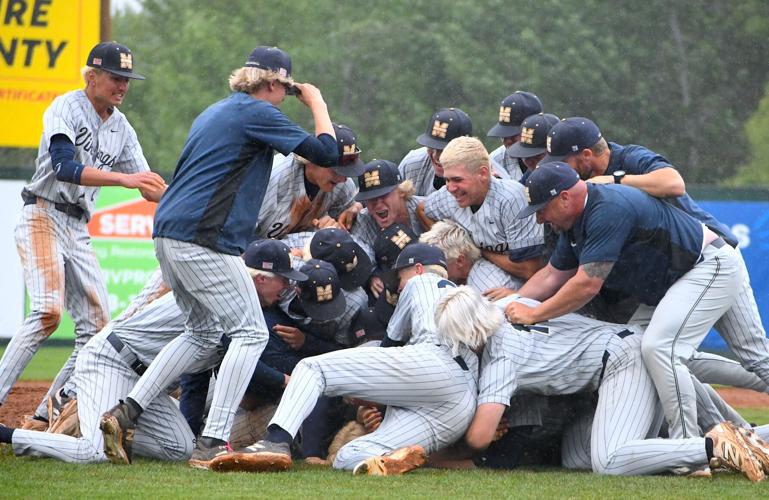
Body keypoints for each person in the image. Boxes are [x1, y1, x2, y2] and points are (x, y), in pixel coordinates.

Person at [98, 45, 339, 467]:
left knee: (203, 334)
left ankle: (126, 412)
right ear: (272, 83)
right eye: (285, 89)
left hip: (169, 233)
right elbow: (326, 153)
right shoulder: (256, 111)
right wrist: (317, 102)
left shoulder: (216, 111)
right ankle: (212, 440)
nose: (286, 97)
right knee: (251, 334)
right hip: (204, 238)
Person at [0, 239, 304, 465]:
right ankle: (9, 435)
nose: (288, 287)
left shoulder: (243, 308)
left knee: (180, 448)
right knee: (94, 453)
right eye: (284, 279)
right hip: (113, 360)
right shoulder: (223, 299)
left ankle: (97, 424)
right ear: (261, 278)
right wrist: (283, 381)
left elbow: (196, 379)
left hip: (146, 381)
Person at [506, 162, 745, 441]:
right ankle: (738, 435)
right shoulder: (575, 221)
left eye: (541, 209)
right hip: (675, 280)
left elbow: (587, 285)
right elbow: (551, 276)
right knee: (642, 347)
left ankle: (687, 444)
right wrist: (509, 304)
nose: (539, 219)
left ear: (565, 198)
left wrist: (535, 314)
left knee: (664, 350)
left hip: (707, 266)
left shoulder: (606, 208)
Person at [206, 244, 486, 476]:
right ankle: (393, 461)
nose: (399, 287)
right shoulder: (472, 299)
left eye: (400, 278)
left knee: (312, 368)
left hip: (434, 361)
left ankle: (275, 442)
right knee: (349, 456)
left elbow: (390, 343)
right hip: (461, 405)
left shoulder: (422, 282)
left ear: (419, 269)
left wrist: (362, 386)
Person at [0, 42, 166, 428]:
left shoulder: (122, 128)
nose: (122, 86)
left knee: (96, 329)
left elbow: (147, 185)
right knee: (47, 311)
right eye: (115, 77)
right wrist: (123, 179)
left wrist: (187, 204)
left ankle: (45, 415)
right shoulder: (66, 106)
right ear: (91, 76)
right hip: (43, 213)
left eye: (127, 79)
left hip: (78, 227)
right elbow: (64, 167)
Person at [544, 116, 769, 388]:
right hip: (673, 274)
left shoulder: (630, 158)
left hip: (710, 258)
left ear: (587, 155)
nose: (559, 168)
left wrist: (615, 180)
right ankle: (716, 415)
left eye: (563, 160)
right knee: (652, 353)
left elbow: (674, 184)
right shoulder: (584, 189)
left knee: (753, 354)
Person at [455, 288, 769, 480]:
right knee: (579, 458)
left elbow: (480, 438)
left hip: (622, 361)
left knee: (610, 461)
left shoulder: (500, 358)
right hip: (619, 351)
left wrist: (444, 454)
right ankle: (746, 437)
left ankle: (716, 445)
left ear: (470, 335)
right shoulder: (510, 304)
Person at [419, 136, 544, 287]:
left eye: (457, 180)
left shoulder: (511, 198)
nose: (450, 188)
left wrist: (476, 250)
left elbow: (530, 269)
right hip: (484, 268)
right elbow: (422, 209)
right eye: (447, 180)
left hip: (527, 282)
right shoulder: (448, 197)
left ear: (483, 174)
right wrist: (455, 243)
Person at [255, 123, 367, 239]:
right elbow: (244, 230)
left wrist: (354, 210)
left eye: (347, 171)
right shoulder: (274, 175)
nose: (343, 179)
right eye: (337, 171)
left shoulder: (343, 185)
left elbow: (356, 219)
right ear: (313, 157)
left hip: (300, 248)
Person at [398, 108, 472, 196]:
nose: (435, 155)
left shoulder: (479, 174)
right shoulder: (411, 163)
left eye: (444, 150)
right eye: (432, 146)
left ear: (465, 150)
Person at [486, 91, 543, 181]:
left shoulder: (555, 152)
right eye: (503, 135)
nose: (507, 141)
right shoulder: (495, 160)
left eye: (513, 134)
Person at [505, 112, 560, 184]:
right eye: (524, 156)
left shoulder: (572, 179)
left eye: (537, 156)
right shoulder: (531, 175)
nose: (529, 162)